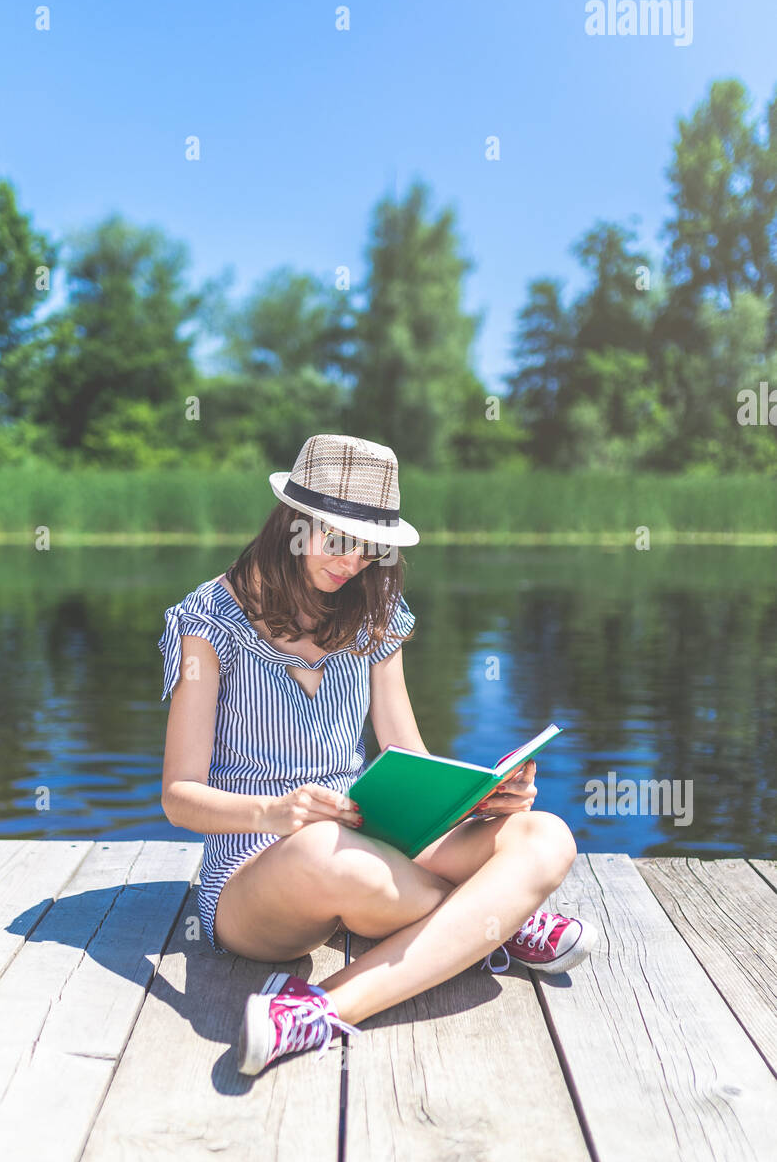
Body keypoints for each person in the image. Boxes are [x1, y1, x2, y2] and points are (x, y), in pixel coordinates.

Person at [159, 433, 597, 1076]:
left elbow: (405, 753)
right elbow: (178, 798)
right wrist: (276, 813)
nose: (356, 559)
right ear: (293, 522)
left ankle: (317, 1009)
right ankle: (498, 920)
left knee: (546, 834)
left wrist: (477, 799)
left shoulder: (377, 616)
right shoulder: (206, 624)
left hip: (377, 834)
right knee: (326, 853)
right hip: (259, 866)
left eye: (371, 544)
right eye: (338, 537)